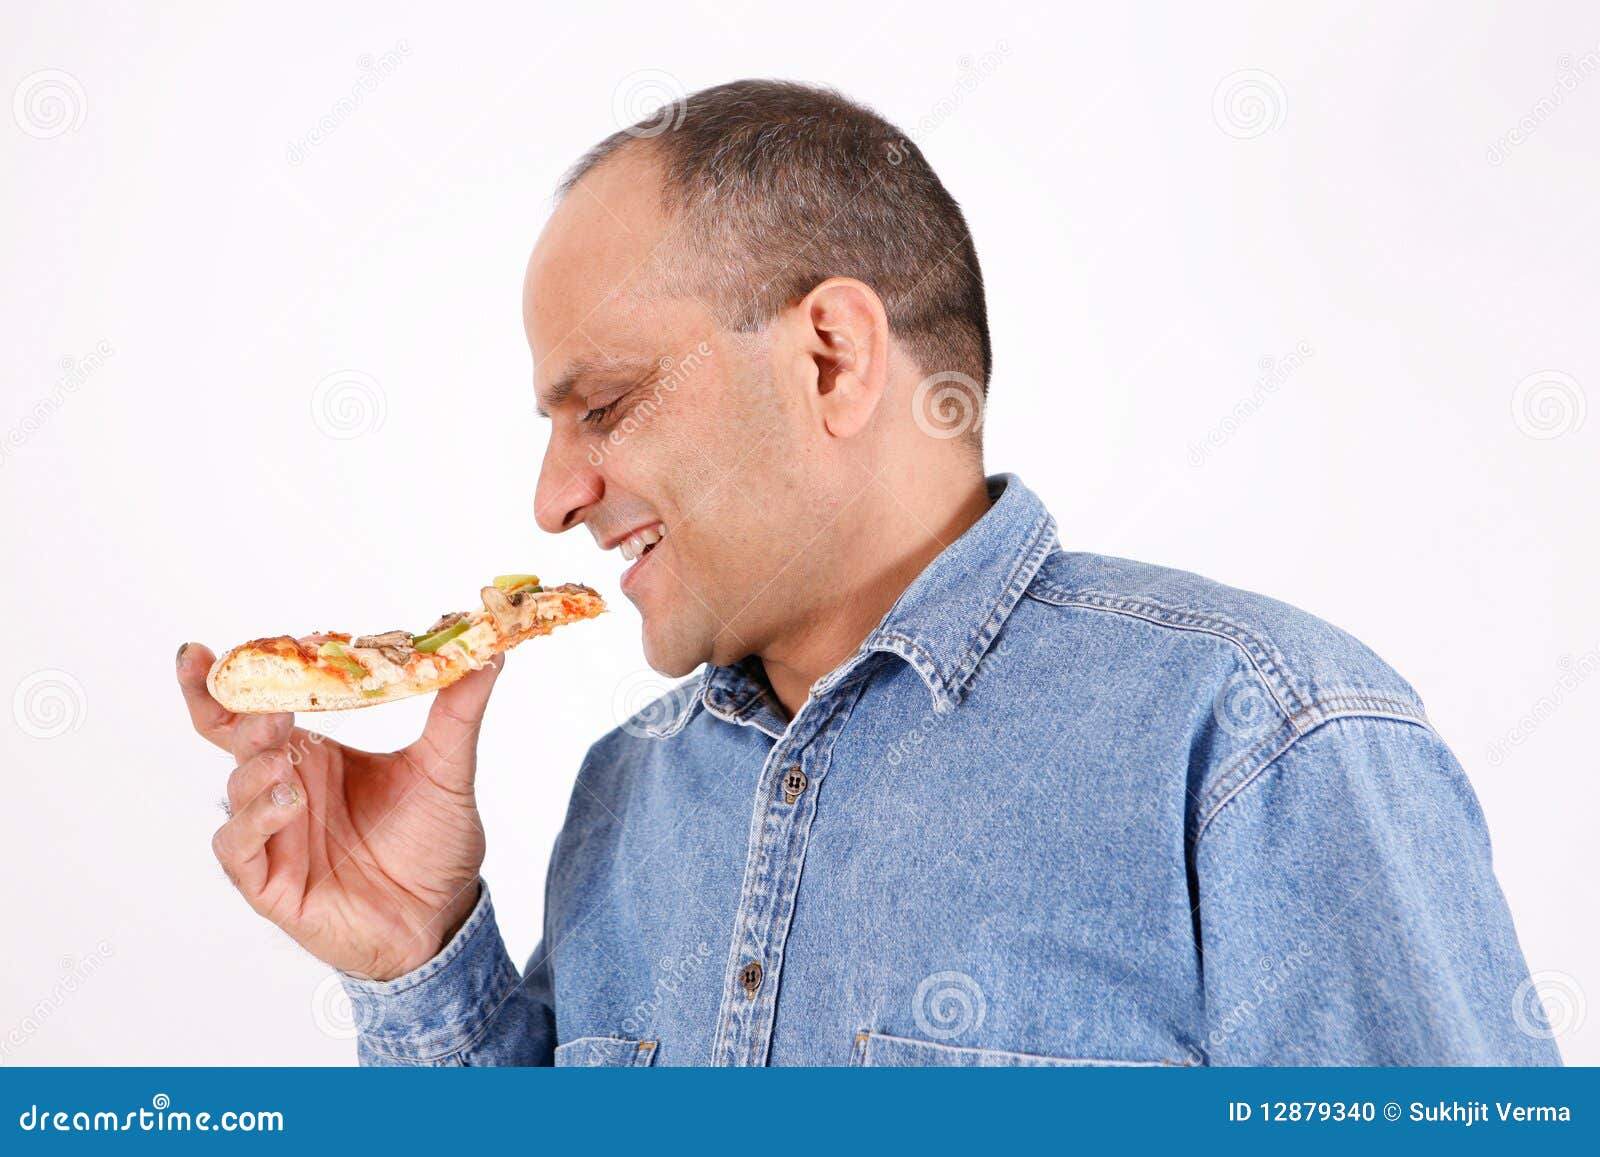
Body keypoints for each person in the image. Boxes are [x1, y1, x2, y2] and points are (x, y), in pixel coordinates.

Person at [177, 80, 1560, 1067]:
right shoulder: (627, 794)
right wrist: (420, 955)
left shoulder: (1262, 733)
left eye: (602, 405)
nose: (552, 497)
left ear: (832, 357)